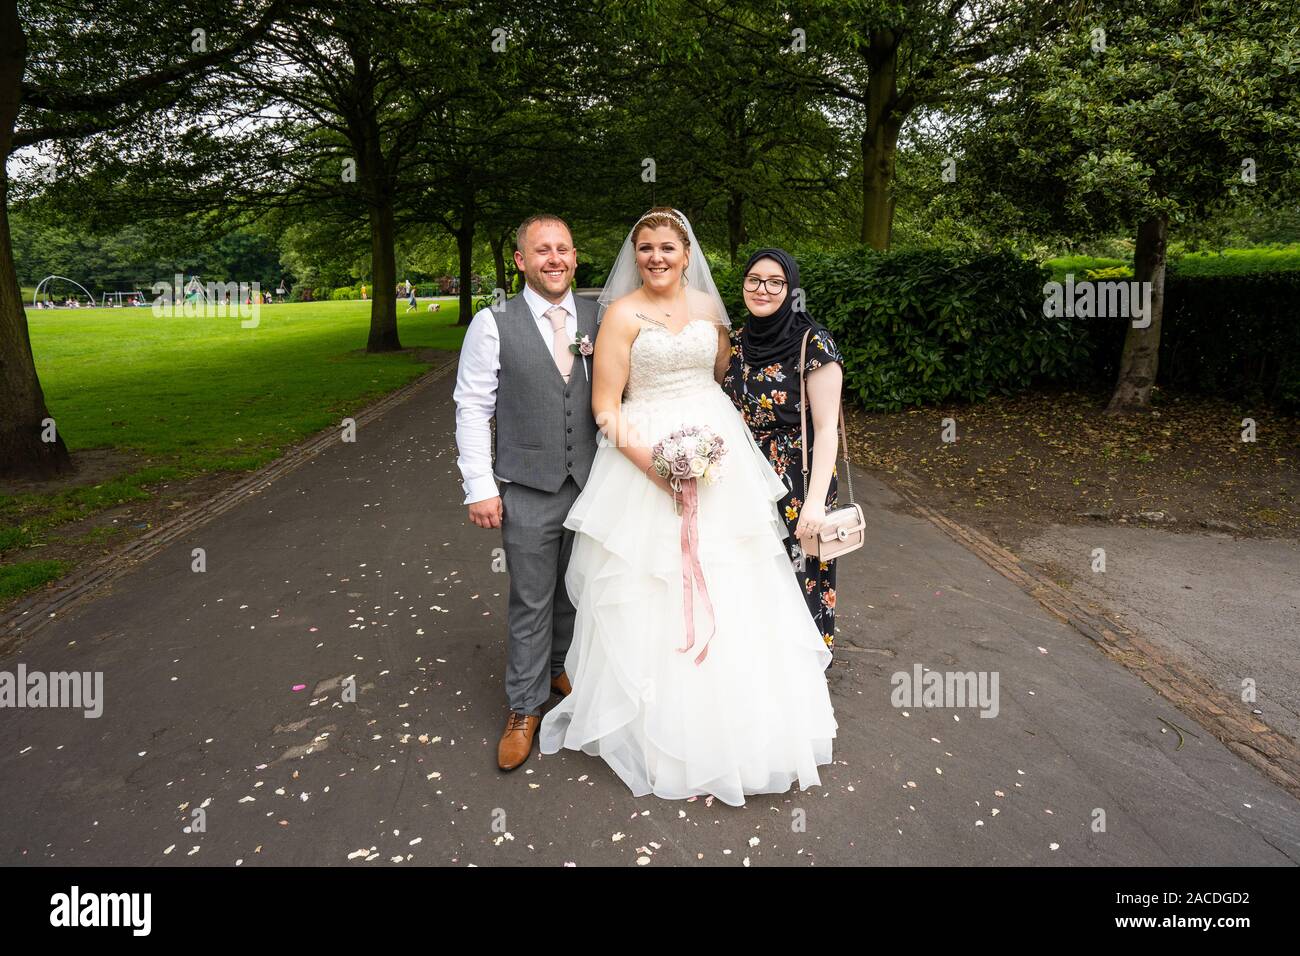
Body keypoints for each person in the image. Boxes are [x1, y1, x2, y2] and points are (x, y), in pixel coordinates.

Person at [537, 208, 836, 807]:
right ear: (635, 255)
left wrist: (714, 450)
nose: (656, 257)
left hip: (717, 454)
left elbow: (728, 377)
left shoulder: (709, 311)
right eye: (645, 247)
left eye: (667, 247)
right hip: (645, 457)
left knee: (738, 576)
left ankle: (743, 717)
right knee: (651, 584)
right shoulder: (620, 316)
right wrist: (659, 468)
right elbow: (606, 408)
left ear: (685, 251)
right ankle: (660, 725)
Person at [453, 214, 599, 771]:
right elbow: (472, 407)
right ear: (521, 261)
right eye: (542, 251)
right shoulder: (493, 322)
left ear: (575, 256)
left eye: (563, 248)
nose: (554, 259)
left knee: (576, 589)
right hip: (528, 487)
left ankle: (559, 665)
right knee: (531, 598)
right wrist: (479, 487)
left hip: (591, 484)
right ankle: (524, 705)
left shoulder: (599, 316)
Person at [722, 249, 846, 650]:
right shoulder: (737, 343)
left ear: (790, 289)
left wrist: (814, 504)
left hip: (798, 478)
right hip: (746, 475)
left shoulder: (814, 344)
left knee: (800, 572)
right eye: (754, 280)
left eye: (775, 282)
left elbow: (828, 430)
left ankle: (804, 667)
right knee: (753, 571)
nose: (763, 289)